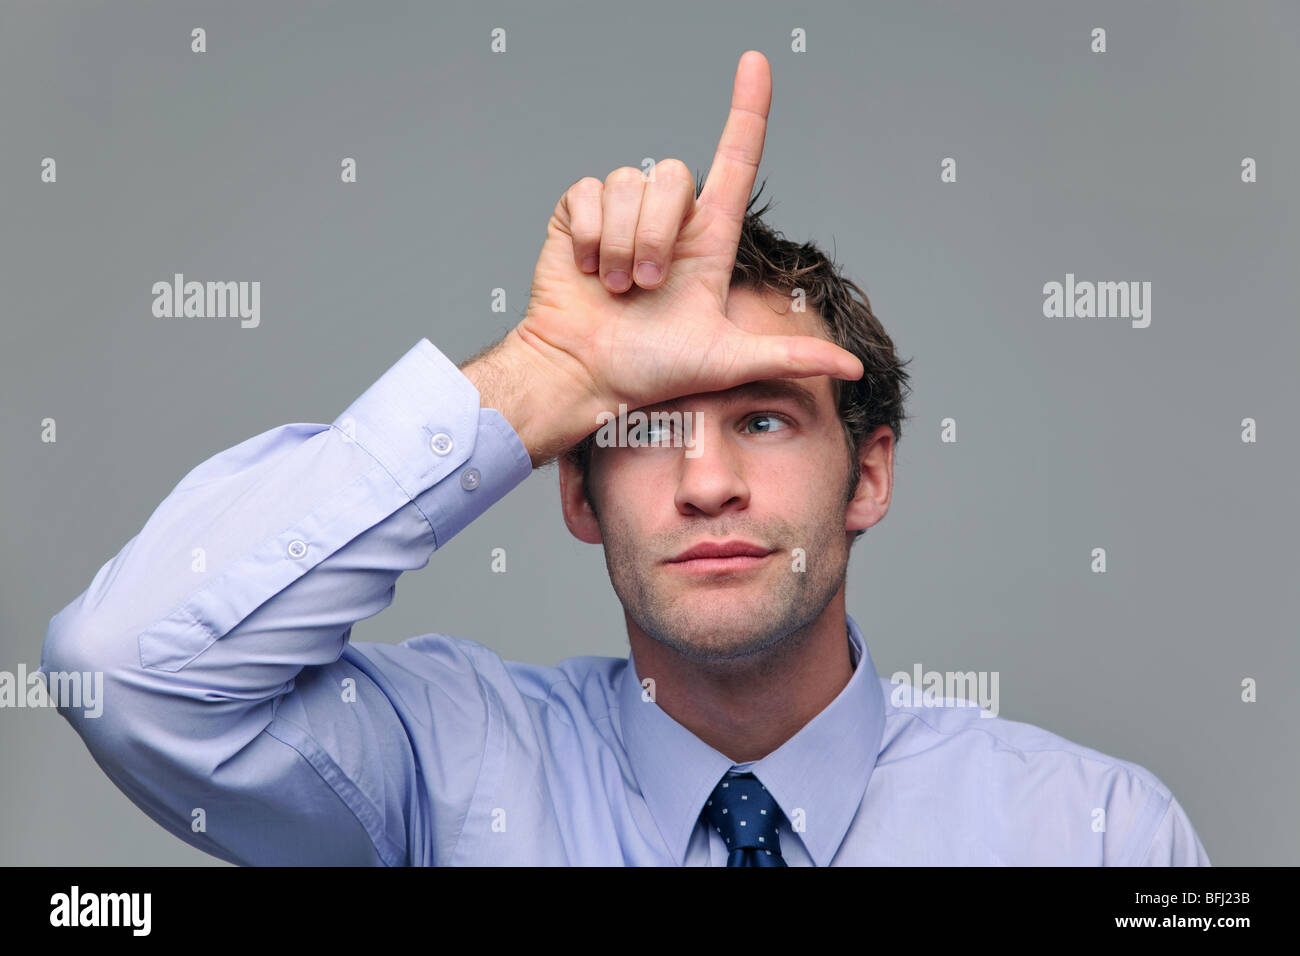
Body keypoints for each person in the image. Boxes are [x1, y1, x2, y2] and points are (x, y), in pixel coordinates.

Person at [41, 51, 1208, 866]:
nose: (706, 482)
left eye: (762, 419)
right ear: (577, 495)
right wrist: (547, 372)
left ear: (869, 476)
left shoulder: (1098, 834)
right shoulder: (442, 771)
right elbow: (131, 669)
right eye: (644, 429)